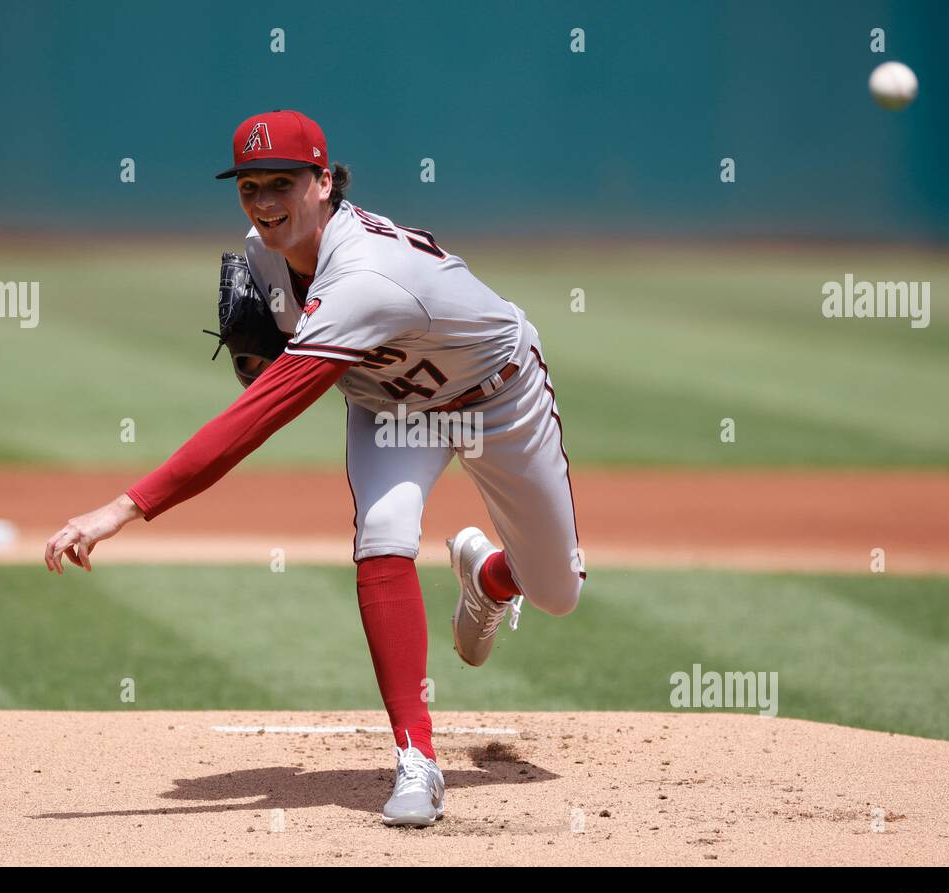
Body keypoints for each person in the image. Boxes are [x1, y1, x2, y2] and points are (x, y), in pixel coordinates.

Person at [44, 109, 584, 827]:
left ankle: (491, 577)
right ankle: (416, 763)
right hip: (391, 408)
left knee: (556, 591)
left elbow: (258, 415)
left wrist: (121, 507)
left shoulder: (367, 274)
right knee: (383, 533)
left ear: (323, 181)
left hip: (499, 395)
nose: (265, 204)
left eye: (282, 184)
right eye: (249, 187)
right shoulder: (263, 254)